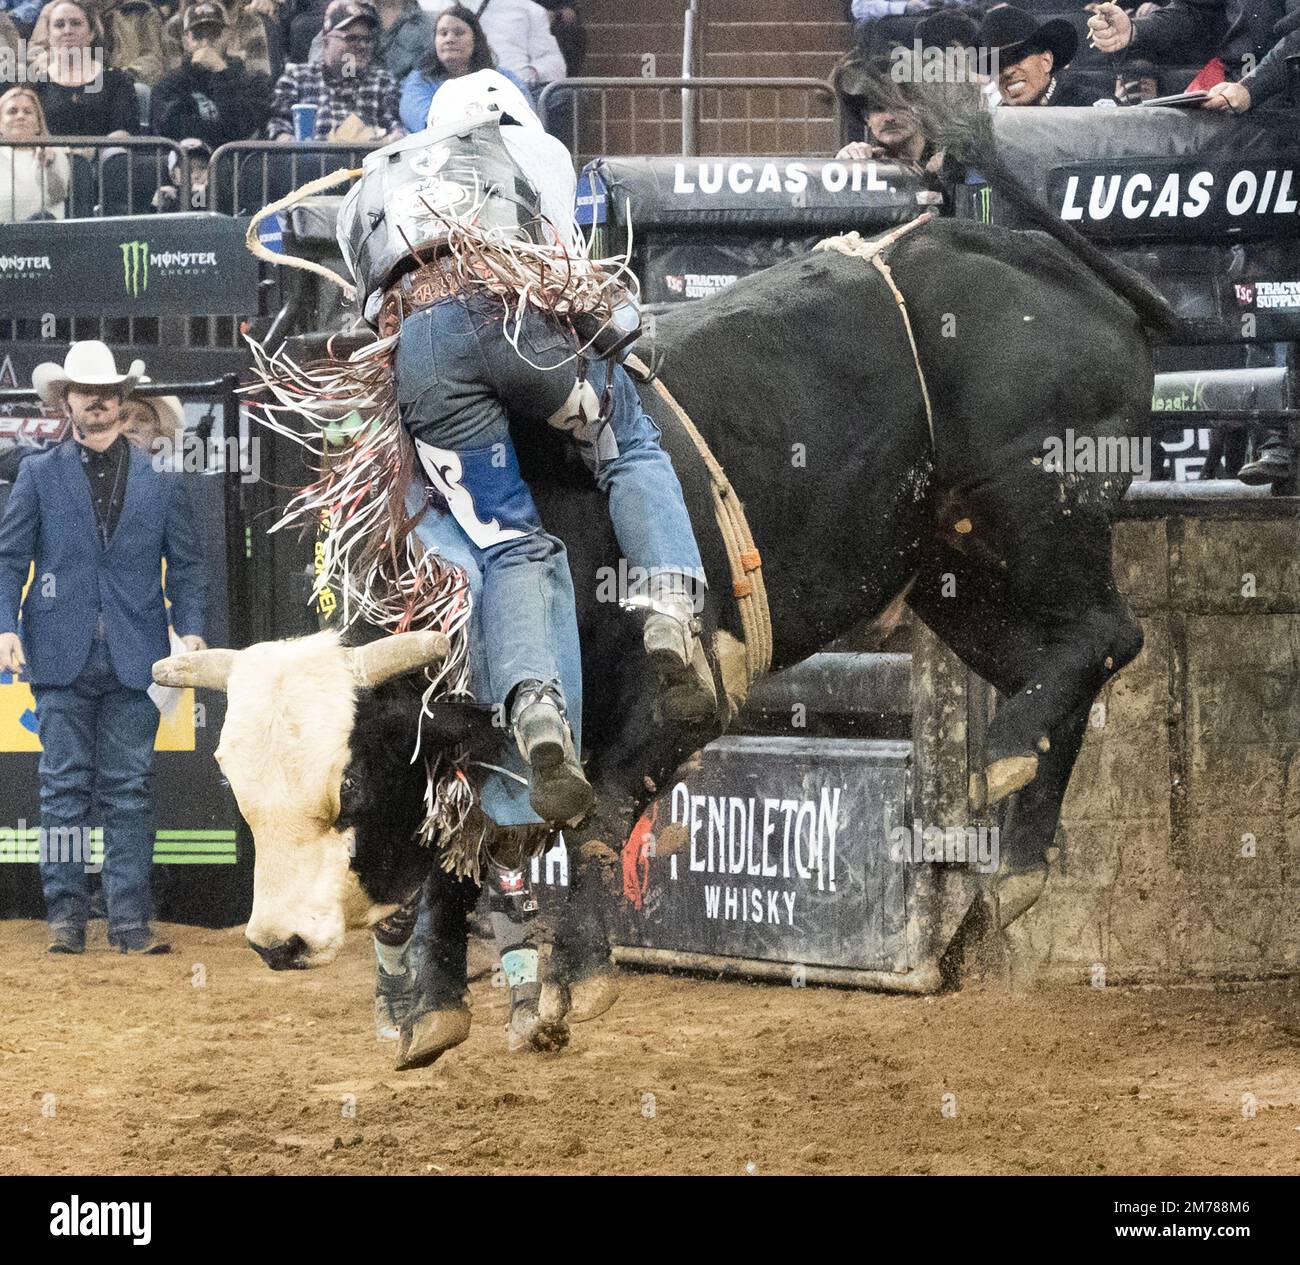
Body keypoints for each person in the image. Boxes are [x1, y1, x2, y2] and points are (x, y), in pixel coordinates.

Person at [332, 69, 714, 822]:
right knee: (626, 442)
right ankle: (669, 603)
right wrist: (625, 332)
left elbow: (367, 319)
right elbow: (572, 278)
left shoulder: (377, 183)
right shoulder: (535, 154)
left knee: (510, 543)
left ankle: (537, 707)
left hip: (425, 351)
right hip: (516, 324)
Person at [0, 342, 208, 956]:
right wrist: (4, 626)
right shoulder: (38, 474)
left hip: (137, 657)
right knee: (62, 791)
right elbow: (9, 558)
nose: (99, 401)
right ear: (66, 401)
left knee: (130, 788)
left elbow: (190, 567)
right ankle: (65, 918)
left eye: (110, 391)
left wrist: (191, 626)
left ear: (123, 400)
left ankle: (130, 922)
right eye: (87, 392)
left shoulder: (160, 483)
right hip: (58, 655)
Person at [1088, 1, 1300, 113]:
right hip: (1233, 93)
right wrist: (1135, 30)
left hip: (1287, 99)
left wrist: (1253, 87)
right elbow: (1196, 11)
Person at [267, 0, 403, 140]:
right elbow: (279, 129)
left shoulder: (383, 82)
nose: (362, 46)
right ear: (326, 42)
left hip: (365, 160)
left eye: (367, 39)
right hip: (311, 161)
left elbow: (396, 129)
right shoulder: (296, 79)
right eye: (352, 38)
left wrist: (395, 138)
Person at [151, 1, 273, 145]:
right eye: (198, 36)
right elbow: (173, 129)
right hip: (189, 158)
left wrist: (221, 72)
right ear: (186, 41)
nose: (206, 44)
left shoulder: (249, 81)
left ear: (226, 36)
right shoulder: (171, 83)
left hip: (236, 161)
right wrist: (219, 130)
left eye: (214, 35)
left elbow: (242, 128)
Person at [399, 3, 530, 134]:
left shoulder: (501, 78)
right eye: (443, 33)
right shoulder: (421, 81)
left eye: (459, 33)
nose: (449, 39)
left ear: (476, 40)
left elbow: (525, 116)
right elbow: (427, 123)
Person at [31, 0, 142, 136]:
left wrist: (91, 152)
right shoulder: (35, 84)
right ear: (48, 35)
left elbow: (124, 134)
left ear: (92, 33)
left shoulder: (117, 81)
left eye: (76, 23)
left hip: (103, 156)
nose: (67, 31)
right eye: (59, 25)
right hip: (50, 156)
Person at [978, 5, 1097, 107]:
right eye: (997, 65)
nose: (1007, 71)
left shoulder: (1086, 106)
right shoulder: (990, 116)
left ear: (1046, 61)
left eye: (1017, 57)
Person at [163, 0, 284, 82]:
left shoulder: (250, 22)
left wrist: (221, 68)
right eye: (199, 36)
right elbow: (174, 80)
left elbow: (260, 79)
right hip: (191, 103)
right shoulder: (174, 26)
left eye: (216, 34)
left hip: (237, 100)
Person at [0, 86, 72, 221]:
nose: (20, 116)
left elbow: (58, 196)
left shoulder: (54, 151)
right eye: (12, 111)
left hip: (42, 233)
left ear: (38, 124)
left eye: (27, 112)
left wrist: (49, 168)